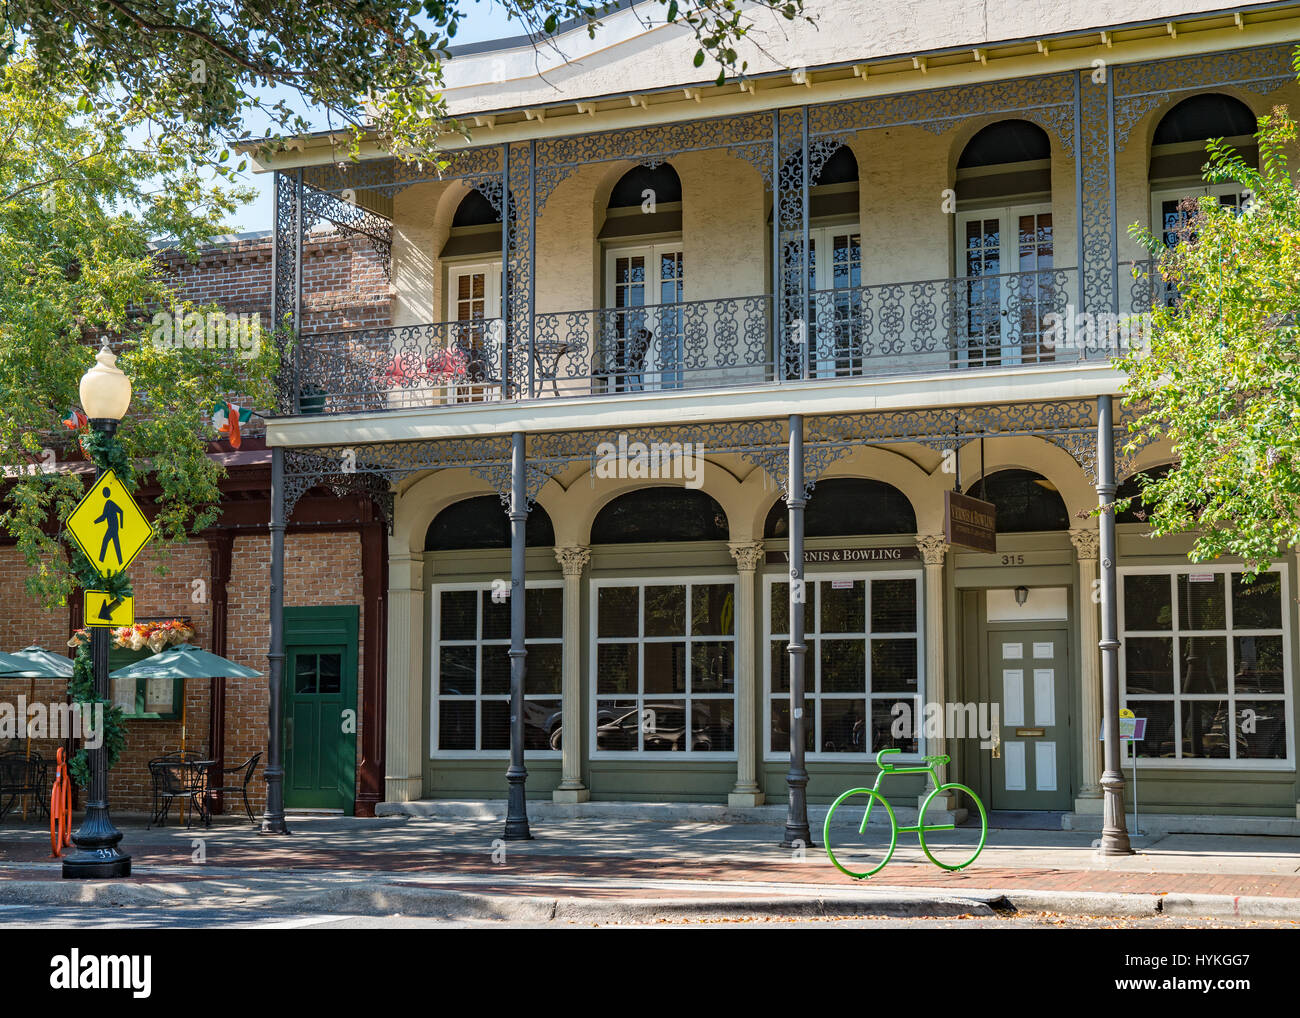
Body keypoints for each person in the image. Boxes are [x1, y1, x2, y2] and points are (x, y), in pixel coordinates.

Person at [94, 486, 125, 566]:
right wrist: (95, 522)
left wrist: (121, 525)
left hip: (113, 528)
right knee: (116, 545)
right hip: (112, 528)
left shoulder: (109, 503)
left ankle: (101, 561)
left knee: (106, 542)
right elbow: (104, 517)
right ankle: (120, 562)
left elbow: (121, 511)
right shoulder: (107, 503)